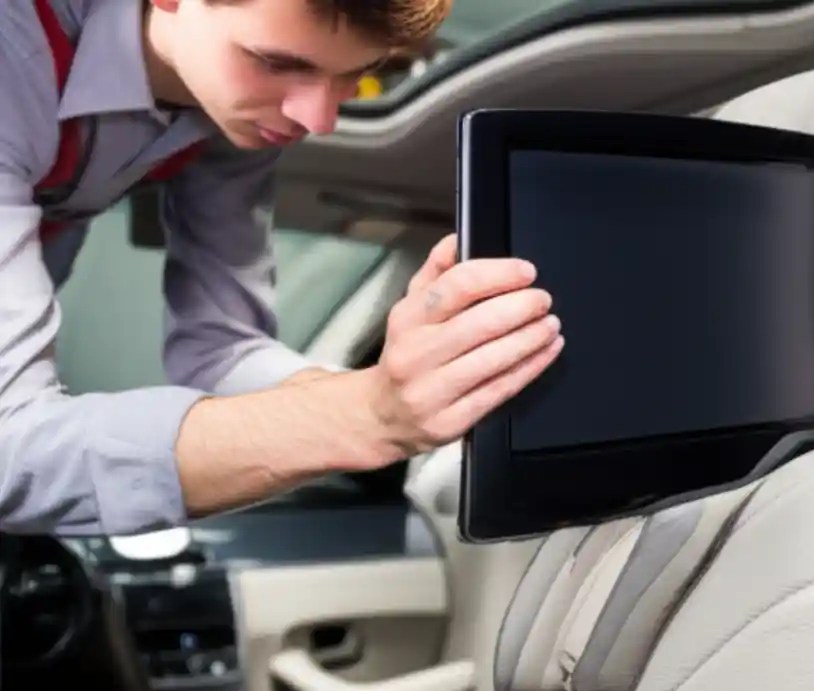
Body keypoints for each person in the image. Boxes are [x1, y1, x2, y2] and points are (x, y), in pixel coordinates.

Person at [0, 0, 564, 536]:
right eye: (277, 63)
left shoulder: (233, 107)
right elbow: (11, 448)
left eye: (356, 76)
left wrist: (419, 391)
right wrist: (368, 417)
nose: (316, 118)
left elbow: (221, 348)